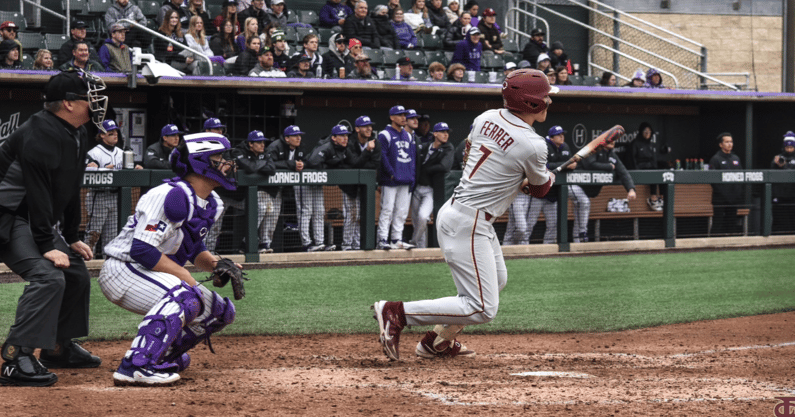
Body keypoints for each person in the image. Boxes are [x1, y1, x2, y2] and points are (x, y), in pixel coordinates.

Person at [372, 69, 557, 361]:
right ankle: (396, 312)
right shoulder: (533, 144)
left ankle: (436, 341)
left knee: (496, 281)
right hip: (470, 223)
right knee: (482, 307)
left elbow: (473, 155)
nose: (548, 101)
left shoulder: (487, 117)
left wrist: (512, 179)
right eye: (544, 97)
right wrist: (547, 178)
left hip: (460, 213)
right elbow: (540, 189)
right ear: (531, 103)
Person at [98, 132, 240, 386]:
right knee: (186, 294)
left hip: (148, 271)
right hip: (123, 269)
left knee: (221, 312)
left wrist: (216, 265)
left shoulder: (212, 203)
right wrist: (188, 279)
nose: (228, 164)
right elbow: (142, 249)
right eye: (219, 158)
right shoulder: (169, 195)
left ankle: (159, 354)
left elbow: (192, 247)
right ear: (201, 162)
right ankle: (136, 365)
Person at [0, 69, 108, 386]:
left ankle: (59, 347)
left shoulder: (76, 132)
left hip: (29, 216)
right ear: (68, 103)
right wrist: (48, 243)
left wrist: (71, 237)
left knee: (74, 272)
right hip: (6, 217)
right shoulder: (39, 132)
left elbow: (69, 188)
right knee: (49, 278)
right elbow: (36, 193)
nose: (95, 102)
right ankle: (16, 357)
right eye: (89, 97)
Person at [84, 119, 143, 258]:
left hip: (117, 197)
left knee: (112, 236)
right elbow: (88, 172)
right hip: (99, 196)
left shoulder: (121, 152)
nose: (114, 134)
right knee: (93, 233)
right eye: (110, 133)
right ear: (102, 135)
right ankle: (85, 263)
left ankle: (108, 264)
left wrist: (135, 169)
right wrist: (104, 168)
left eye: (115, 131)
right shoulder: (94, 153)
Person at [306, 125, 356, 251]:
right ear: (334, 137)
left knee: (319, 211)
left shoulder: (344, 149)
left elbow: (354, 163)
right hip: (305, 179)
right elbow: (312, 162)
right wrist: (328, 168)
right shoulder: (326, 147)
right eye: (342, 135)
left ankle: (319, 243)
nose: (345, 138)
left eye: (346, 136)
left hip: (316, 182)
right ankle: (306, 244)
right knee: (306, 212)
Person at [526, 125, 577, 245]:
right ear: (552, 137)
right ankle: (523, 248)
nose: (562, 137)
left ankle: (547, 249)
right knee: (529, 224)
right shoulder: (544, 146)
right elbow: (544, 166)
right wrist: (564, 165)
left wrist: (570, 165)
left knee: (553, 225)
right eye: (559, 135)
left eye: (562, 134)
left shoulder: (565, 147)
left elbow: (571, 164)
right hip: (539, 194)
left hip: (553, 195)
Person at [377, 105, 417, 250]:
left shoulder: (408, 135)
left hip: (405, 179)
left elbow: (412, 159)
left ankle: (396, 239)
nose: (403, 118)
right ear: (392, 117)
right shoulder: (384, 134)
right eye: (400, 115)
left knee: (401, 211)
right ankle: (382, 239)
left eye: (404, 115)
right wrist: (391, 173)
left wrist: (412, 177)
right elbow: (383, 157)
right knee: (387, 210)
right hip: (391, 180)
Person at [410, 122, 454, 248]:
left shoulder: (448, 147)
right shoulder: (425, 146)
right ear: (435, 134)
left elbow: (444, 166)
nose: (446, 135)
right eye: (443, 132)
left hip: (430, 189)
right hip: (417, 188)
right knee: (416, 221)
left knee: (423, 217)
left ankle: (413, 242)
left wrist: (425, 169)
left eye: (447, 132)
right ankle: (420, 248)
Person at [233, 130, 277, 252]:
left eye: (263, 142)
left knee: (267, 208)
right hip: (231, 195)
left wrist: (257, 164)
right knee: (215, 222)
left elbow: (272, 169)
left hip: (248, 196)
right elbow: (250, 167)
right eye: (258, 142)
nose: (262, 145)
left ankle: (248, 243)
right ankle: (208, 249)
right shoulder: (238, 151)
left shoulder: (265, 151)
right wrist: (262, 163)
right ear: (250, 144)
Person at [340, 115, 380, 250]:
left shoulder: (375, 142)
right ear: (357, 129)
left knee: (360, 216)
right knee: (351, 216)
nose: (369, 128)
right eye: (365, 126)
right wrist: (367, 151)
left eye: (370, 126)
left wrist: (363, 160)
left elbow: (375, 164)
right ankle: (346, 245)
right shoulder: (349, 143)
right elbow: (354, 163)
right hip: (349, 186)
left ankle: (357, 245)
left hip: (365, 187)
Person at [265, 124, 306, 251]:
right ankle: (253, 244)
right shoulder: (275, 146)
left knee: (274, 217)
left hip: (281, 188)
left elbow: (304, 160)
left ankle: (266, 244)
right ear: (287, 138)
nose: (299, 138)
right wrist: (291, 164)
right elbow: (269, 163)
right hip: (267, 188)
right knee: (265, 215)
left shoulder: (299, 148)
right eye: (295, 136)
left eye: (299, 135)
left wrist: (302, 164)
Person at [709, 133, 743, 236]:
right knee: (718, 222)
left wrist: (737, 192)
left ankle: (731, 245)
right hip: (720, 199)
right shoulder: (715, 159)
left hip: (733, 198)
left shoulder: (736, 158)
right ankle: (713, 245)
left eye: (731, 142)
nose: (730, 144)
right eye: (727, 142)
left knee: (732, 223)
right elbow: (713, 180)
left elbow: (741, 176)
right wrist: (724, 194)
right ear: (721, 144)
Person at [632, 122, 663, 211]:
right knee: (653, 170)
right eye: (645, 131)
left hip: (650, 167)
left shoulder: (651, 144)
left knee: (663, 167)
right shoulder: (636, 143)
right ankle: (652, 198)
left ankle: (661, 197)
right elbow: (633, 160)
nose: (647, 133)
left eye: (649, 131)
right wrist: (636, 172)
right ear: (641, 132)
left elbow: (654, 160)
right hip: (641, 169)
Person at [771, 131, 795, 233]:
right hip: (780, 196)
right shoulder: (778, 158)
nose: (789, 150)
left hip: (793, 196)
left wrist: (785, 167)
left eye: (791, 147)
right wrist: (777, 165)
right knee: (779, 221)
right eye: (787, 147)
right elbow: (771, 175)